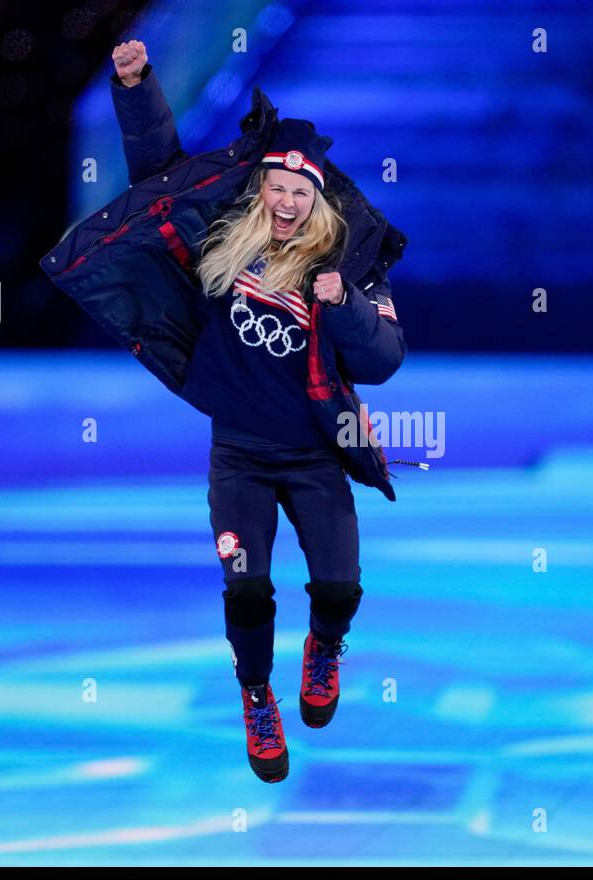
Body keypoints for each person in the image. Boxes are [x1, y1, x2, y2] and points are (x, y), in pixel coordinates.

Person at [80, 40, 409, 782]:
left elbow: (385, 361)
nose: (288, 202)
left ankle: (323, 646)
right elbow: (161, 179)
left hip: (315, 456)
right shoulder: (224, 241)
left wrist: (346, 305)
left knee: (340, 588)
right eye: (278, 188)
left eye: (303, 194)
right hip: (239, 458)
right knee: (247, 587)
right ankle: (256, 694)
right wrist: (136, 88)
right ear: (261, 188)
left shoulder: (352, 267)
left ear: (320, 201)